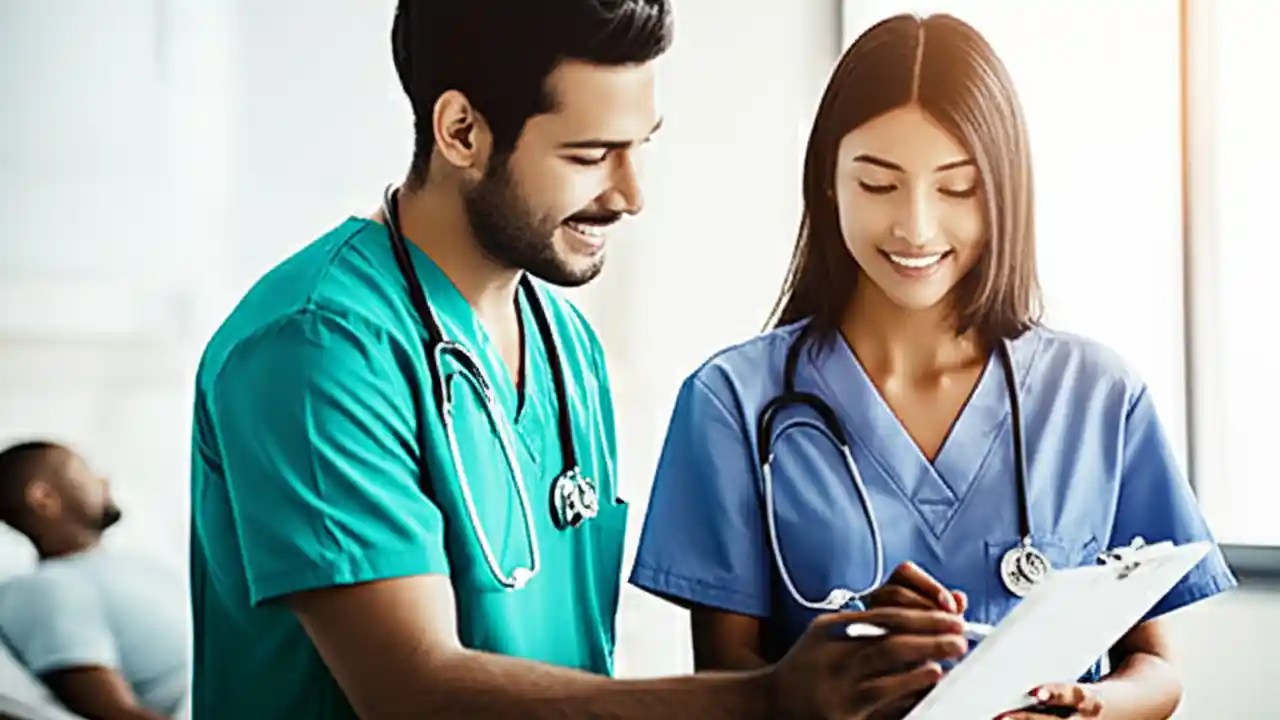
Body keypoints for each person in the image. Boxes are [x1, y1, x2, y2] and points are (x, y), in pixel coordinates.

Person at [187, 2, 974, 718]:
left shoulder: (567, 344)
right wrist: (768, 699)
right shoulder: (316, 347)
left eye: (641, 148)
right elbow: (410, 690)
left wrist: (844, 659)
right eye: (591, 154)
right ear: (461, 132)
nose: (631, 194)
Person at [629, 12, 1238, 720]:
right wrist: (840, 666)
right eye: (878, 185)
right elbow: (729, 681)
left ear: (1005, 191)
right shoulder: (732, 401)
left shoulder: (1100, 398)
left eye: (956, 189)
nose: (915, 226)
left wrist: (1092, 708)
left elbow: (1156, 665)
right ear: (828, 183)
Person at [0, 441, 190, 720]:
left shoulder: (139, 563)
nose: (103, 480)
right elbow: (115, 713)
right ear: (44, 498)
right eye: (82, 470)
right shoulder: (45, 589)